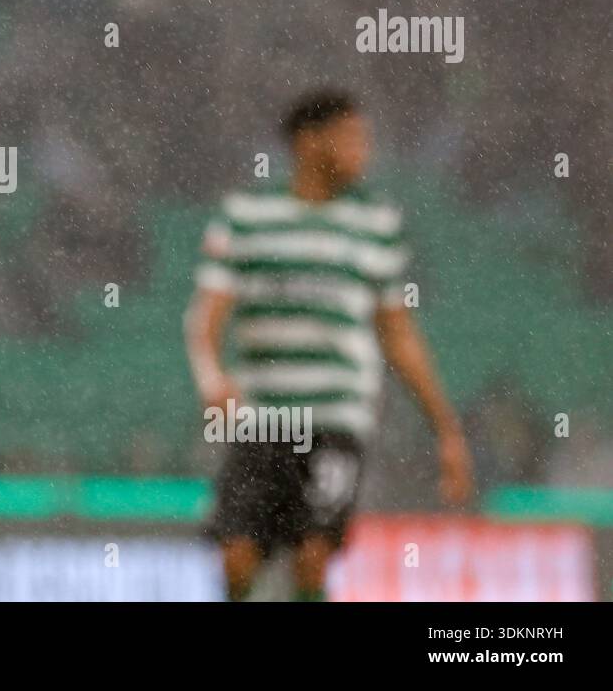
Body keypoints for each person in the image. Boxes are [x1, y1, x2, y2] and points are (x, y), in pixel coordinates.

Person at [184, 89, 472, 601]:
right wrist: (212, 378)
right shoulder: (247, 216)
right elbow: (206, 316)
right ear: (309, 142)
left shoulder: (374, 225)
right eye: (352, 137)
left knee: (313, 558)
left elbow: (398, 332)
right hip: (262, 418)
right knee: (237, 561)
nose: (365, 150)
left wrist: (445, 428)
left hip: (336, 418)